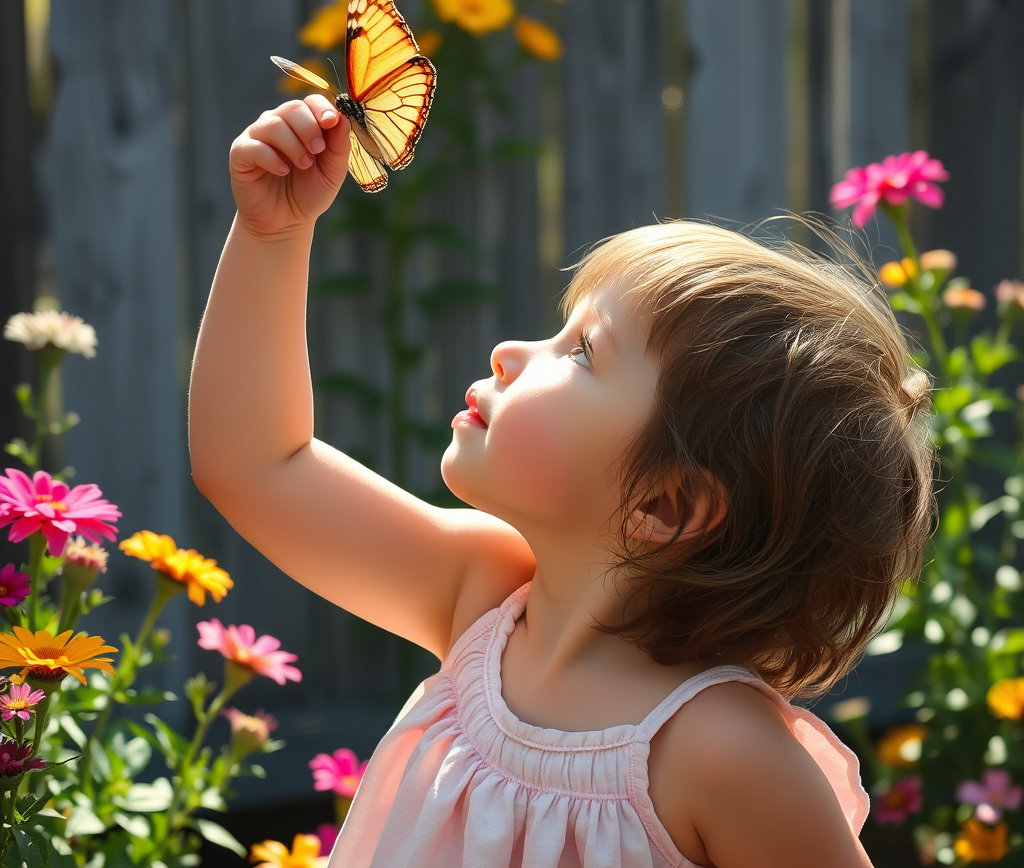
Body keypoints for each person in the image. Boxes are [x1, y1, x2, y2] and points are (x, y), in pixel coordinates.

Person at [189, 95, 936, 868]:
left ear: (666, 504)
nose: (511, 350)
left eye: (581, 352)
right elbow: (256, 464)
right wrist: (271, 233)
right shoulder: (483, 596)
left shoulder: (722, 754)